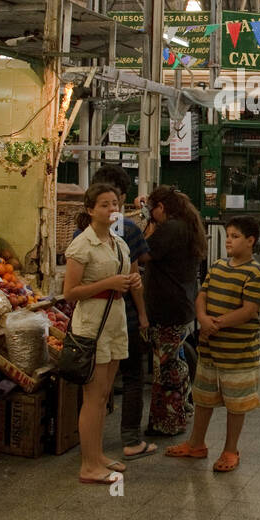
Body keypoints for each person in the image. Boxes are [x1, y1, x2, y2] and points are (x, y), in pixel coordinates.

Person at [165, 216, 260, 473]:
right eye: (228, 235)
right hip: (210, 350)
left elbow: (249, 310)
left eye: (235, 236)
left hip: (239, 353)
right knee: (203, 397)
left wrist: (216, 324)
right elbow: (203, 294)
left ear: (250, 241)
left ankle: (231, 449)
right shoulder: (219, 266)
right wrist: (202, 318)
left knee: (237, 402)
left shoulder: (255, 272)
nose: (229, 241)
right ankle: (196, 444)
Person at [63, 183, 143, 484]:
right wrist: (108, 283)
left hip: (115, 323)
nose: (112, 210)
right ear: (90, 210)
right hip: (92, 326)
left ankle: (98, 457)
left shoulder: (118, 242)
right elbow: (70, 292)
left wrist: (132, 281)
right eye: (105, 205)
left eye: (115, 204)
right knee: (93, 398)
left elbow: (124, 276)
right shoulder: (82, 245)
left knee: (105, 394)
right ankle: (88, 465)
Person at [84, 165, 154, 459]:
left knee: (98, 386)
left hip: (93, 320)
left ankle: (93, 448)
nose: (113, 207)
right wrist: (143, 316)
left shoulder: (81, 231)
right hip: (121, 316)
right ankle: (129, 440)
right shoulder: (130, 229)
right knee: (133, 376)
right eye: (109, 203)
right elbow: (140, 269)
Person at [140, 184, 204, 438]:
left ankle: (169, 421)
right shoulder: (186, 225)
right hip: (181, 304)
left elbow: (143, 254)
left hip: (168, 306)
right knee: (174, 359)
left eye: (150, 209)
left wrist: (146, 224)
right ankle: (183, 408)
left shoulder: (170, 228)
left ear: (161, 208)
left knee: (165, 366)